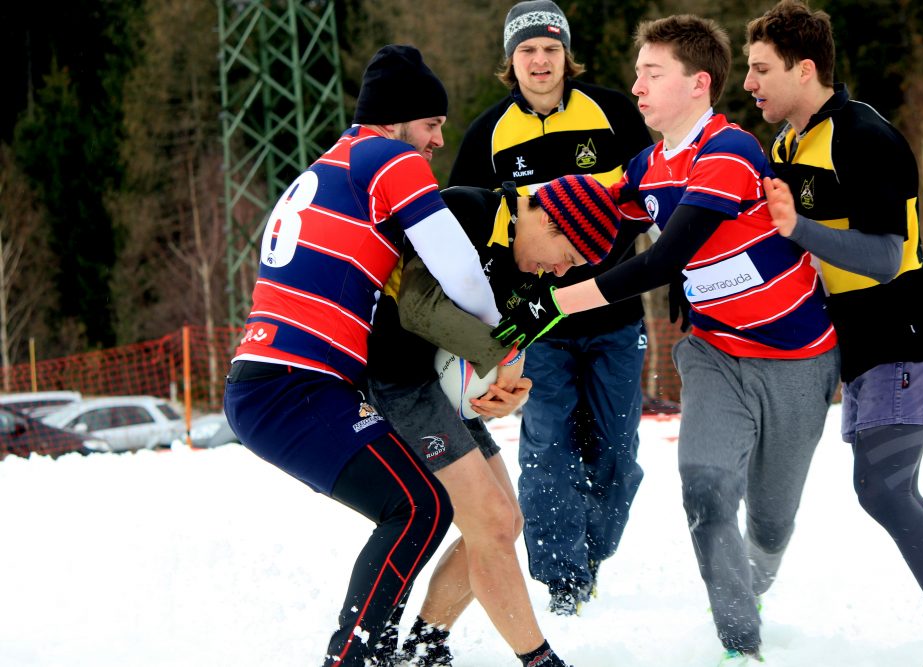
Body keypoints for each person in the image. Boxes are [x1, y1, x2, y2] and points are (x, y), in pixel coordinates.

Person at [491, 15, 840, 666]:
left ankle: (753, 582)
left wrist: (548, 304)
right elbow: (591, 207)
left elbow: (660, 260)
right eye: (637, 73)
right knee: (706, 487)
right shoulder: (647, 165)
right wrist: (527, 233)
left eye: (652, 74)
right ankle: (742, 646)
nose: (637, 86)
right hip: (714, 351)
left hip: (798, 356)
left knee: (769, 519)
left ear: (698, 84)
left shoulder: (729, 152)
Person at [223, 45, 503, 667]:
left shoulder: (333, 164)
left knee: (420, 504)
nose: (436, 141)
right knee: (418, 506)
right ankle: (355, 657)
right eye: (431, 124)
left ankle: (370, 651)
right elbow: (457, 267)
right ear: (398, 119)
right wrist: (499, 344)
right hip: (293, 385)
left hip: (281, 380)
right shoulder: (387, 157)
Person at [743, 3, 923, 665]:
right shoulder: (788, 145)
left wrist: (796, 228)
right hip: (859, 340)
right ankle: (741, 607)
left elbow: (884, 256)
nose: (750, 83)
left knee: (884, 488)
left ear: (804, 68)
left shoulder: (862, 134)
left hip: (910, 331)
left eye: (762, 69)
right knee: (855, 482)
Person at [448, 0, 654, 616]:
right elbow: (466, 235)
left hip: (615, 313)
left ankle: (593, 553)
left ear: (567, 55)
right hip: (539, 323)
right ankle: (564, 583)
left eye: (550, 49)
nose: (540, 61)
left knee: (616, 452)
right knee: (547, 450)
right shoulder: (487, 133)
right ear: (511, 62)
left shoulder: (614, 113)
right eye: (527, 51)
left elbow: (656, 198)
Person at [366, 174, 621, 667]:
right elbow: (419, 309)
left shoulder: (530, 268)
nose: (558, 271)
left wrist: (511, 390)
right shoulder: (466, 210)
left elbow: (510, 341)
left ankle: (425, 645)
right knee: (492, 522)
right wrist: (499, 356)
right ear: (548, 219)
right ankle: (538, 659)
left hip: (442, 386)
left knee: (507, 520)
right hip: (397, 380)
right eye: (566, 255)